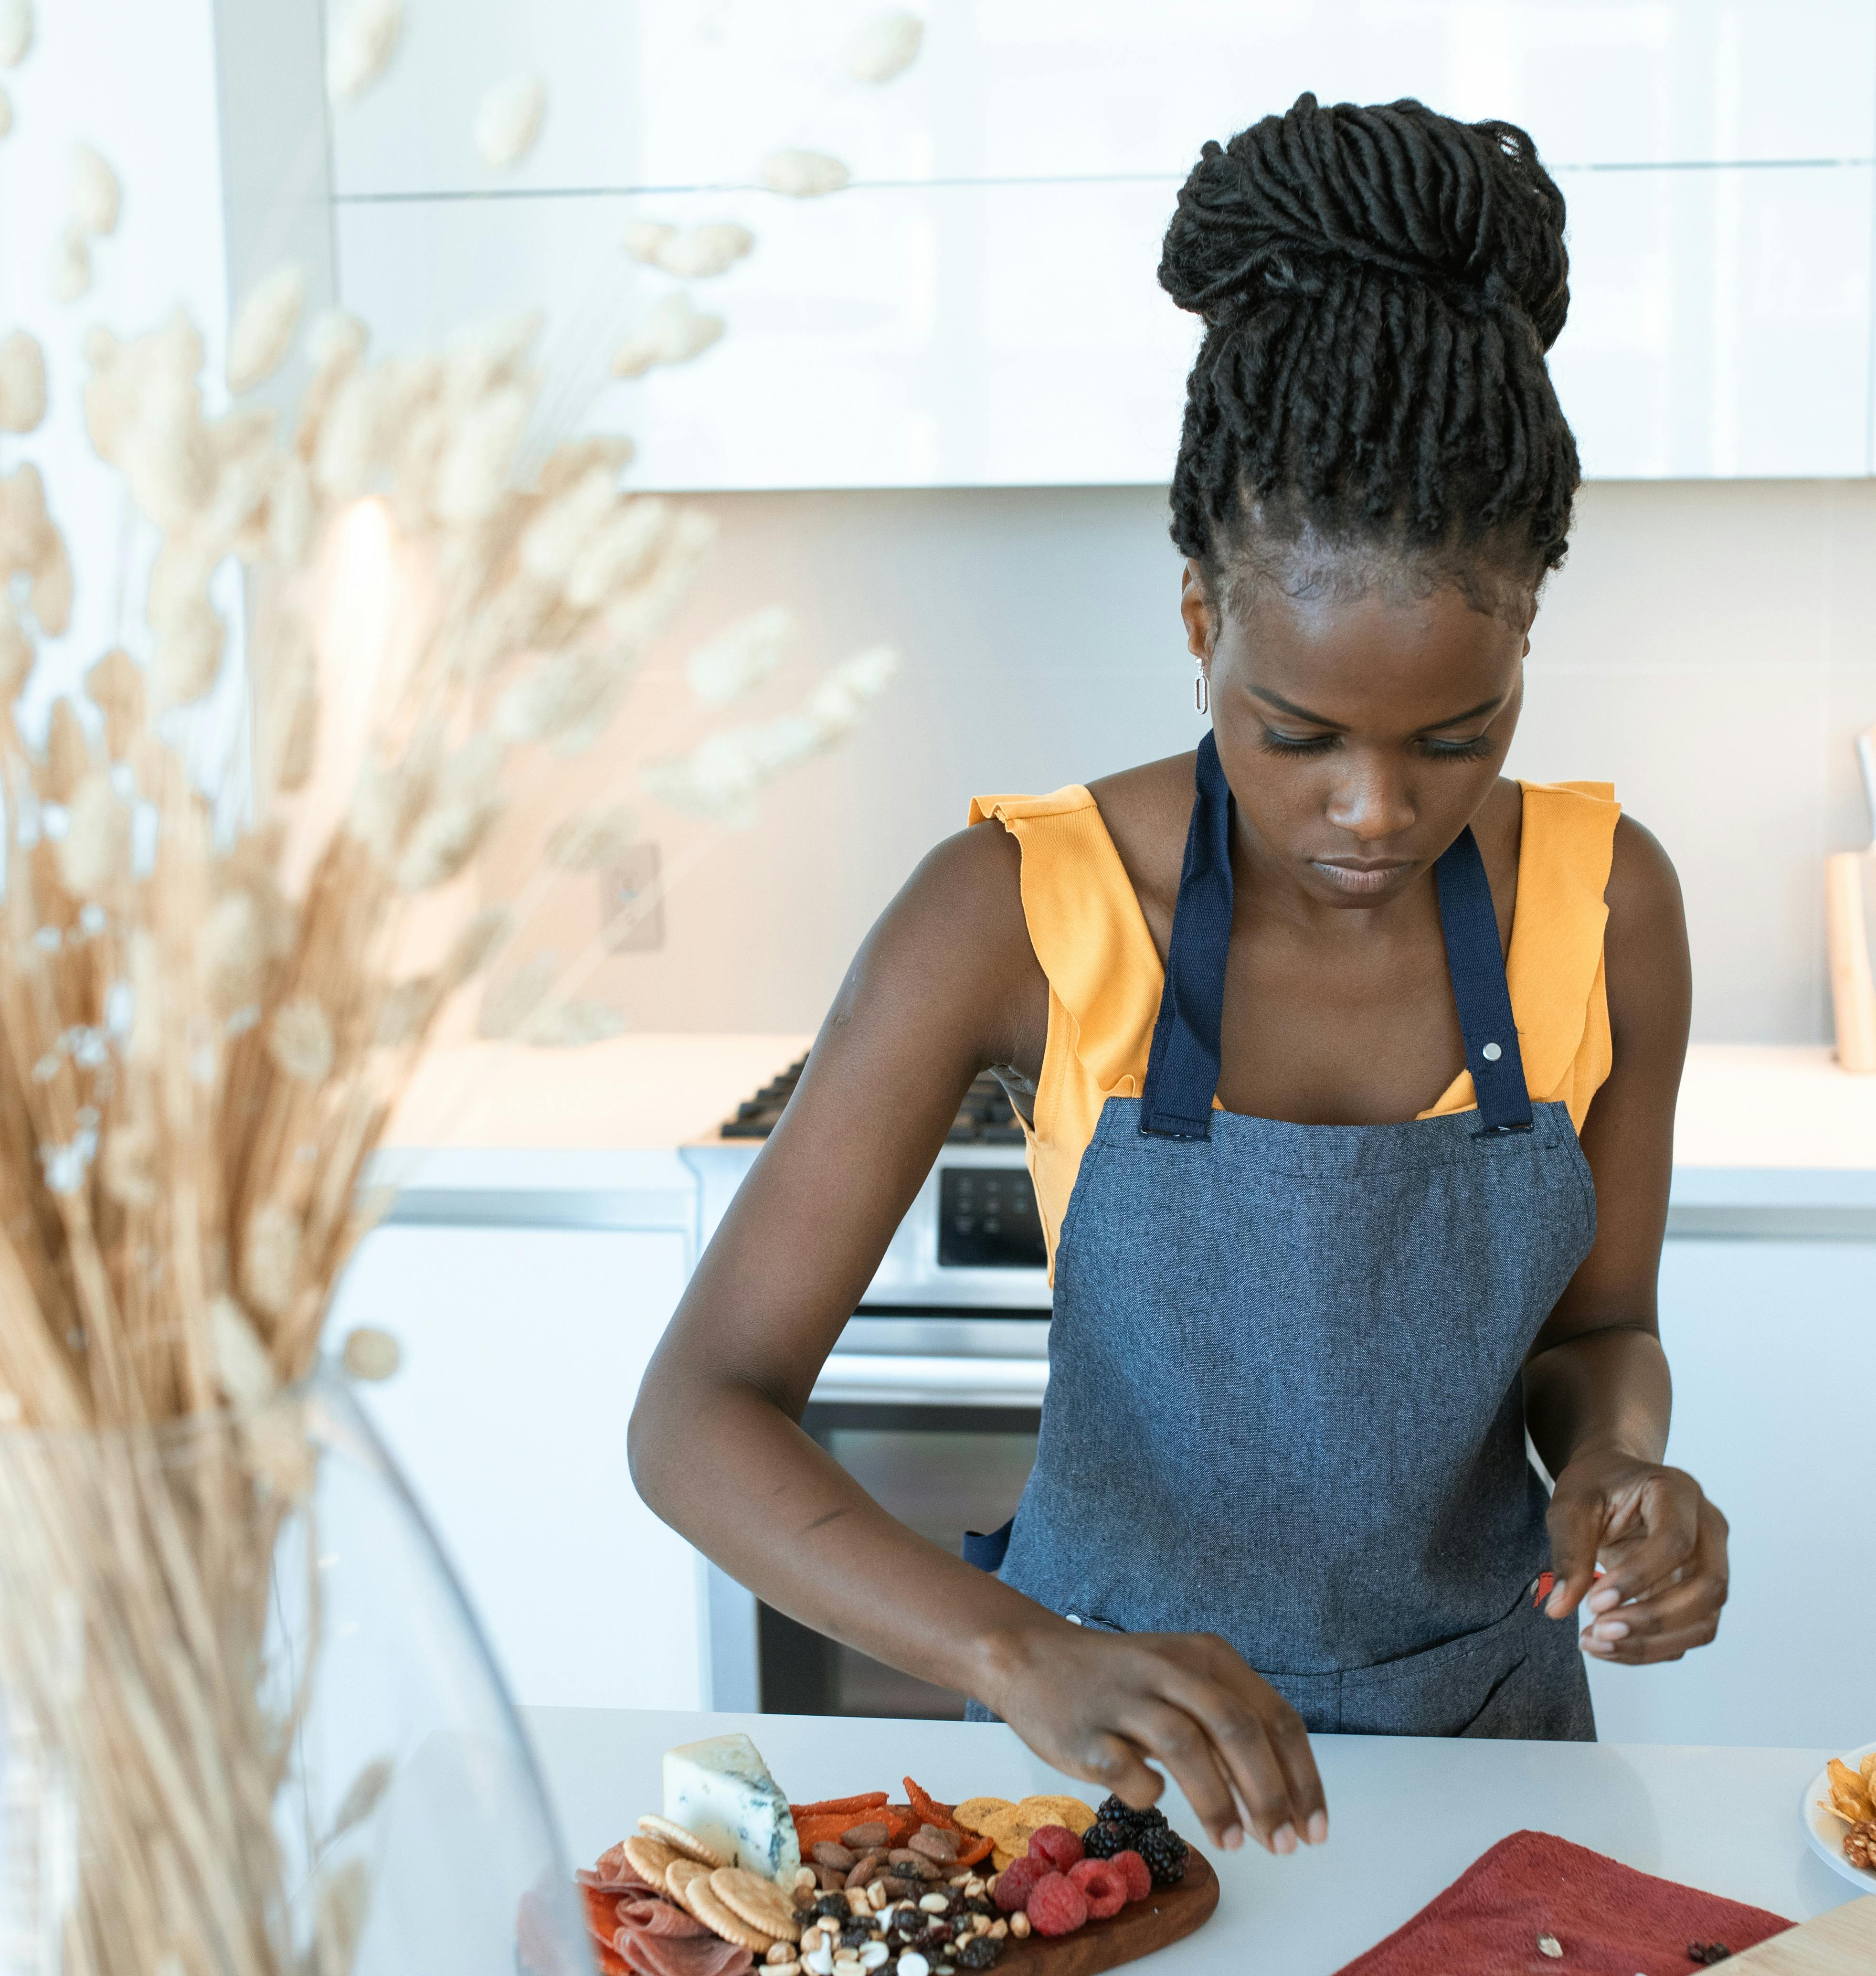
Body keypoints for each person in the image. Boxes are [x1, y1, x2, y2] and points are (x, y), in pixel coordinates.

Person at [628, 93, 1727, 1858]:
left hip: (1491, 1760)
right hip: (1103, 1775)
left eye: (1458, 736)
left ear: (1528, 630)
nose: (1375, 812)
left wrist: (1618, 1468)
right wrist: (1016, 1653)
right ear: (1202, 616)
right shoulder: (1012, 907)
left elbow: (1596, 1332)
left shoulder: (1608, 904)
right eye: (1298, 737)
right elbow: (696, 1414)